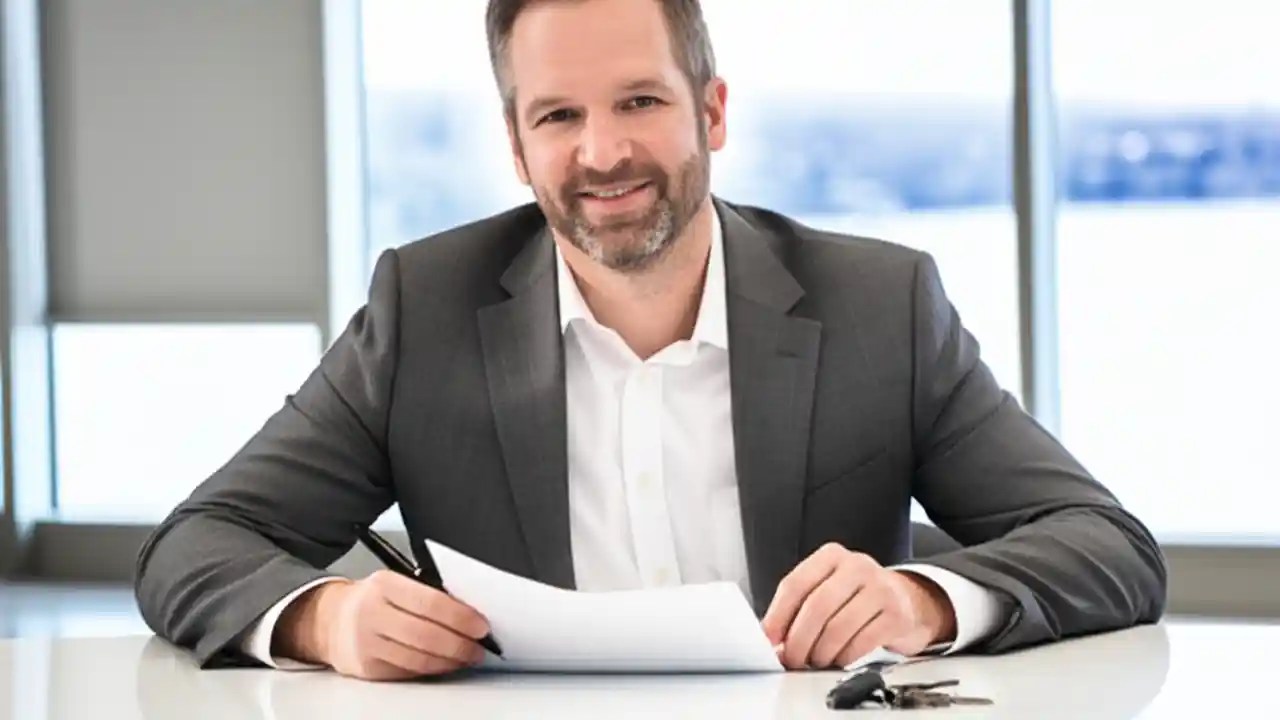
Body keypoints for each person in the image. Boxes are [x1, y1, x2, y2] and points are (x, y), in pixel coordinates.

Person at [134, 0, 1167, 681]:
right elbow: (197, 544)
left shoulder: (876, 303)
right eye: (557, 116)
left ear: (710, 112)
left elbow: (1106, 547)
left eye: (638, 101)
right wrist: (323, 620)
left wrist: (915, 600)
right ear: (515, 144)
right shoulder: (424, 309)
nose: (602, 153)